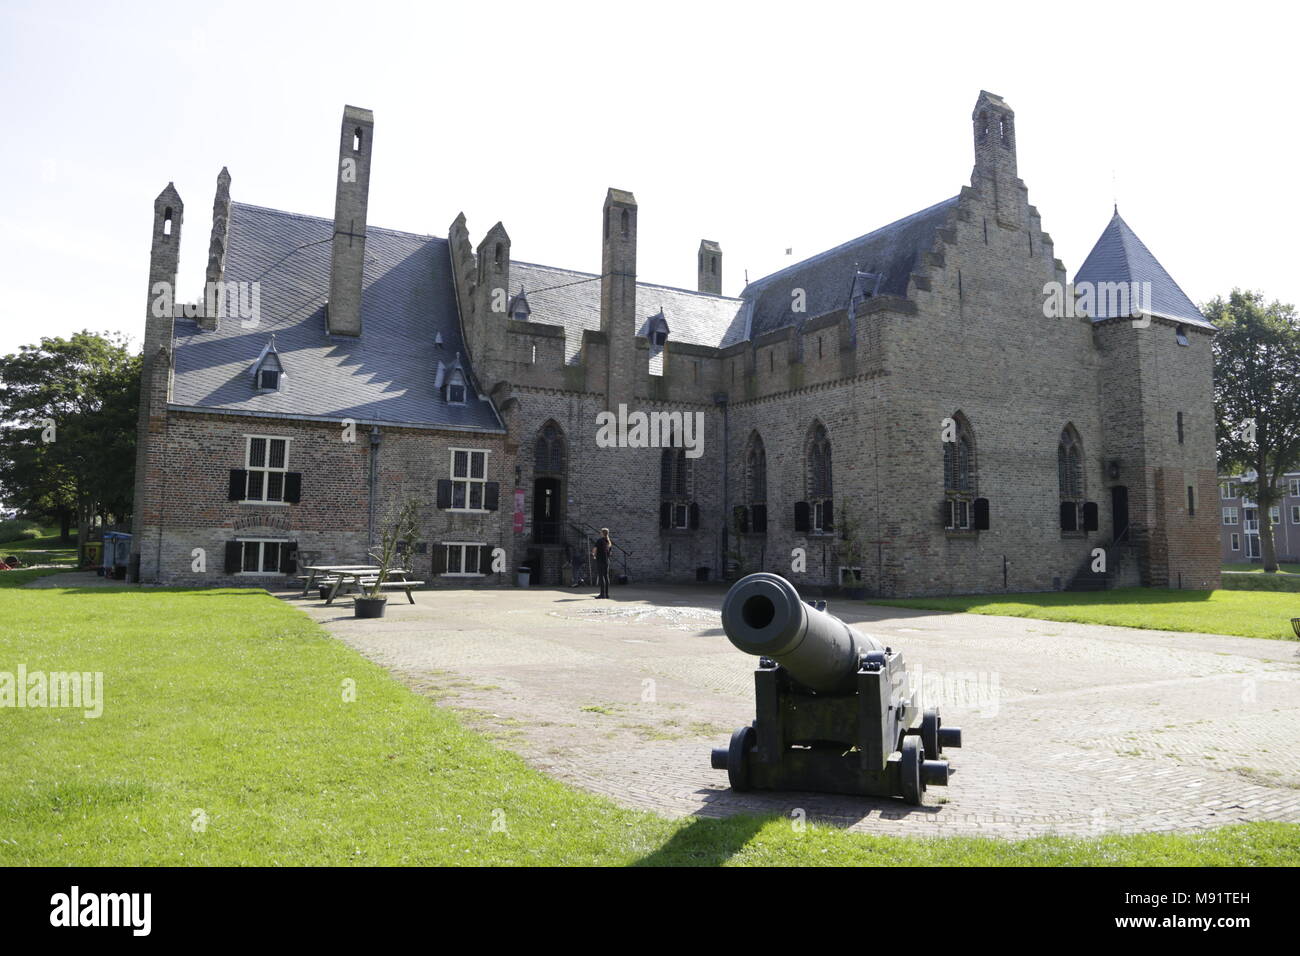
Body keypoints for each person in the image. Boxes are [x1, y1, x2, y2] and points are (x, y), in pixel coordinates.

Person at [591, 528, 613, 599]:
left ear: (602, 533)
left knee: (601, 577)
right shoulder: (608, 542)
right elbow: (610, 553)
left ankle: (602, 594)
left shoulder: (600, 540)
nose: (599, 533)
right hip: (606, 561)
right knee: (606, 577)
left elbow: (594, 549)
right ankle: (606, 594)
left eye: (600, 532)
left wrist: (593, 555)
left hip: (600, 560)